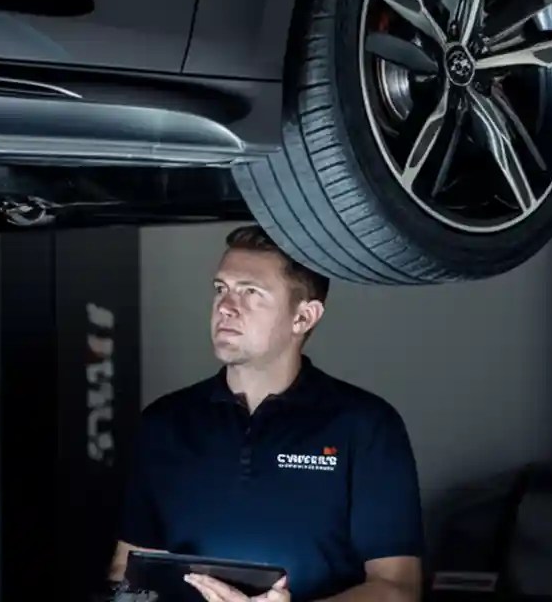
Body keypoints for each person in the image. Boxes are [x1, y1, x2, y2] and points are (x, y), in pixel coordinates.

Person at [108, 225, 424, 602]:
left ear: (303, 318)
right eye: (221, 288)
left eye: (251, 292)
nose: (225, 306)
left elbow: (398, 588)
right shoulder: (164, 422)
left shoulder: (366, 426)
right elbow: (128, 570)